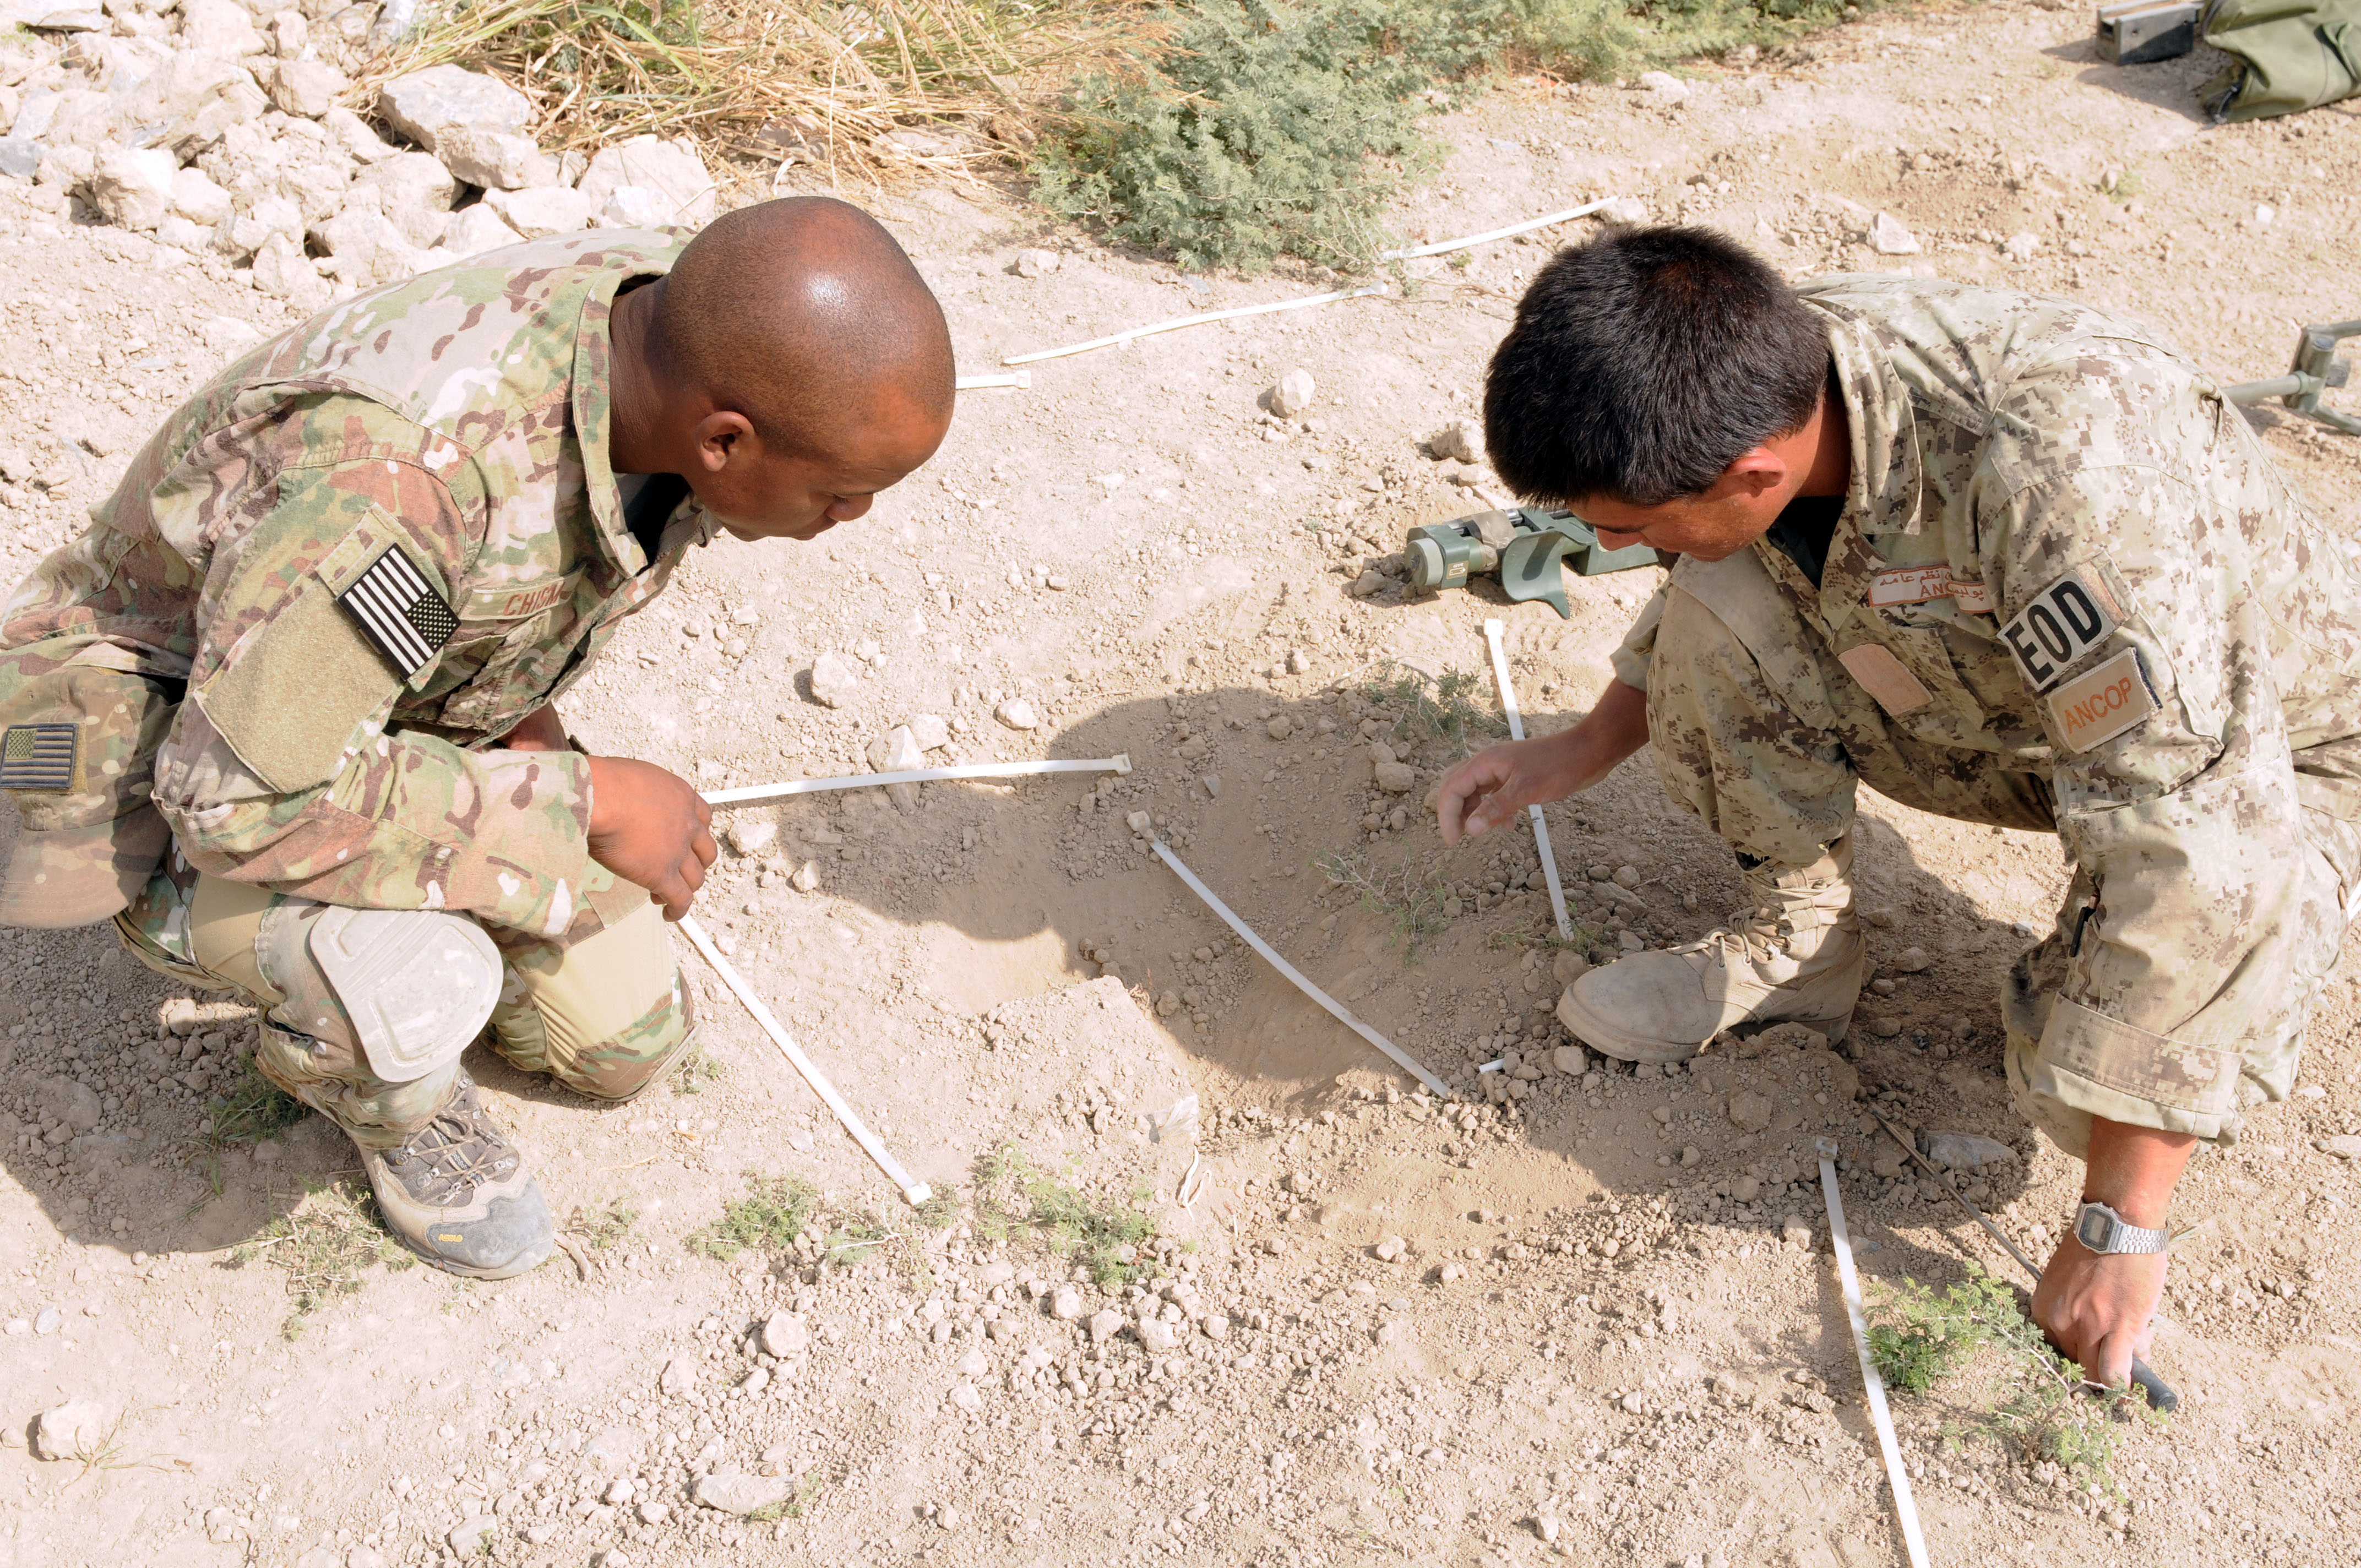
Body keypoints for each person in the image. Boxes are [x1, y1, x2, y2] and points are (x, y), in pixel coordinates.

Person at [1436, 225, 2359, 1389]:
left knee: (2072, 1082)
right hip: (2022, 698)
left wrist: (2118, 1228)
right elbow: (1705, 572)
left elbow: (2192, 834)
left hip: (2273, 752)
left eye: (1620, 529)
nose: (1606, 549)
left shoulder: (2066, 472)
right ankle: (1801, 946)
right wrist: (1580, 744)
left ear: (1750, 474)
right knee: (1720, 601)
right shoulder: (1739, 371)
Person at [0, 197, 956, 1278]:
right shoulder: (400, 494)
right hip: (151, 742)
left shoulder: (674, 322)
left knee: (617, 1035)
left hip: (332, 686)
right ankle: (384, 1098)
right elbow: (232, 799)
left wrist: (531, 730)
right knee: (415, 981)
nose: (853, 517)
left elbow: (498, 585)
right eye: (841, 493)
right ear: (723, 439)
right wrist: (581, 803)